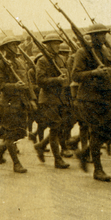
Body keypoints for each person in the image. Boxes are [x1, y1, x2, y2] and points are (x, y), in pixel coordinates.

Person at [71, 23, 111, 182]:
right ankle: (98, 170)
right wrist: (94, 72)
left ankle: (84, 153)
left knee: (109, 132)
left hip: (105, 98)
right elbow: (75, 75)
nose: (102, 36)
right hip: (89, 99)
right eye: (99, 34)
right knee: (97, 131)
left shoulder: (107, 51)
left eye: (103, 34)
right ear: (92, 37)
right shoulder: (82, 52)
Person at [0, 37, 36, 173]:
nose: (16, 47)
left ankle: (0, 148)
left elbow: (28, 82)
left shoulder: (20, 62)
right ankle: (16, 163)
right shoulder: (0, 65)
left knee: (20, 132)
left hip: (22, 102)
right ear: (5, 48)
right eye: (12, 45)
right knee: (11, 134)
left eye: (16, 44)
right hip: (9, 103)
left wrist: (32, 99)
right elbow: (0, 85)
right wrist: (14, 86)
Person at [33, 34, 72, 169]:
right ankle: (57, 159)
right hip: (49, 99)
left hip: (61, 98)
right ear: (48, 45)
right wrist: (56, 80)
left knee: (59, 127)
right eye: (54, 43)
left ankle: (41, 145)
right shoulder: (42, 61)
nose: (57, 45)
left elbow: (67, 78)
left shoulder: (61, 59)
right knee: (55, 127)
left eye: (58, 43)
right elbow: (40, 81)